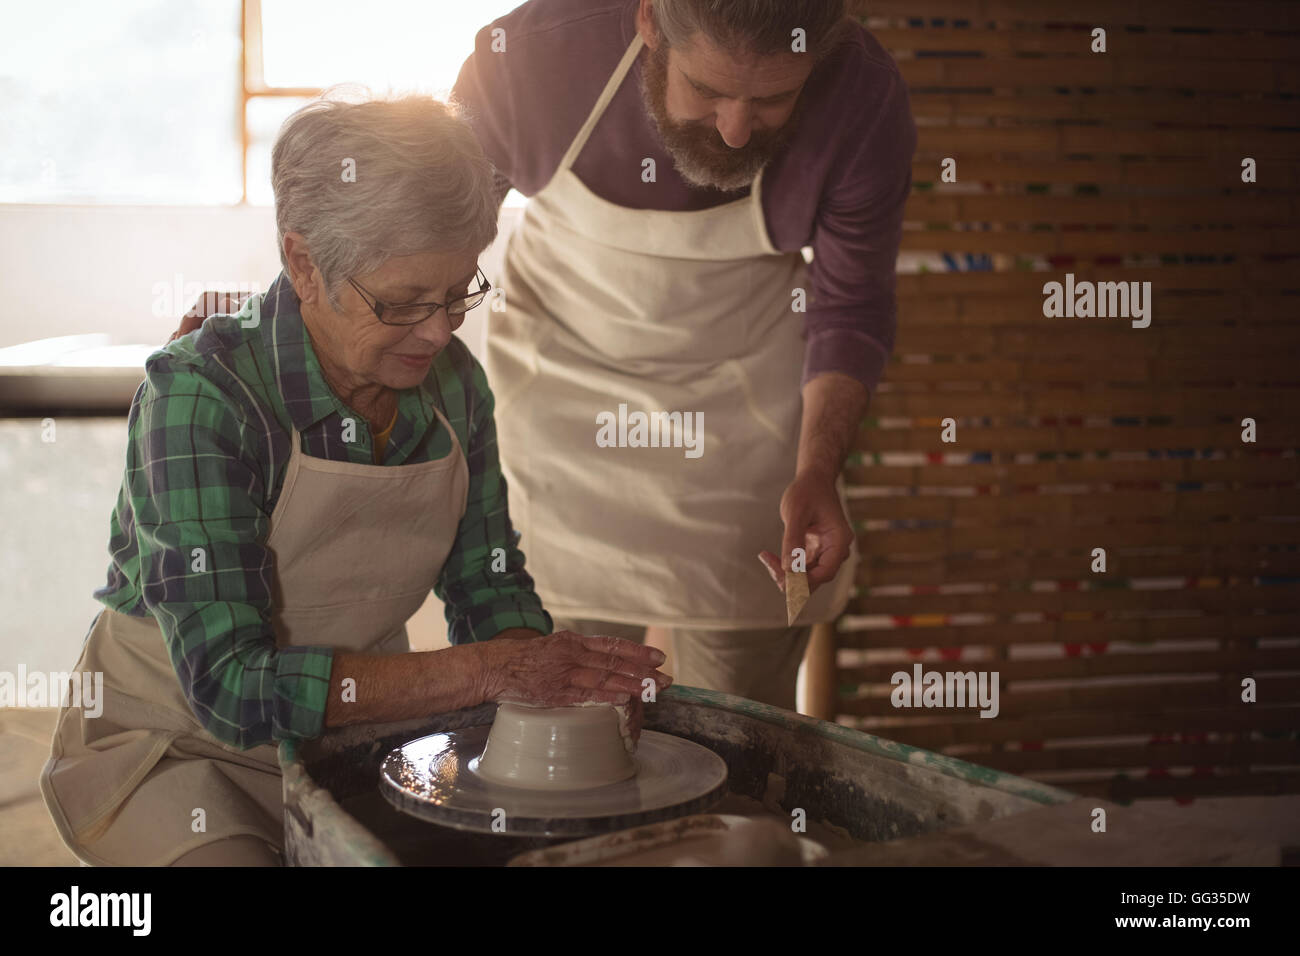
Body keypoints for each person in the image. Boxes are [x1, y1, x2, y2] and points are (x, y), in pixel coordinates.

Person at [40, 93, 669, 867]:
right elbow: (233, 689)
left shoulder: (453, 385)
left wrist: (558, 691)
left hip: (360, 738)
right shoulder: (202, 398)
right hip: (175, 745)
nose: (439, 332)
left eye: (458, 293)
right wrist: (486, 671)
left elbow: (488, 585)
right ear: (303, 263)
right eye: (403, 303)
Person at [451, 0, 915, 708]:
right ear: (648, 24)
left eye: (772, 99)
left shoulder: (862, 97)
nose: (734, 130)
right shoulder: (529, 56)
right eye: (707, 90)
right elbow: (437, 240)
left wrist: (818, 468)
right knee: (558, 712)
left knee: (737, 730)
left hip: (746, 421)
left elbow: (850, 306)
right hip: (560, 403)